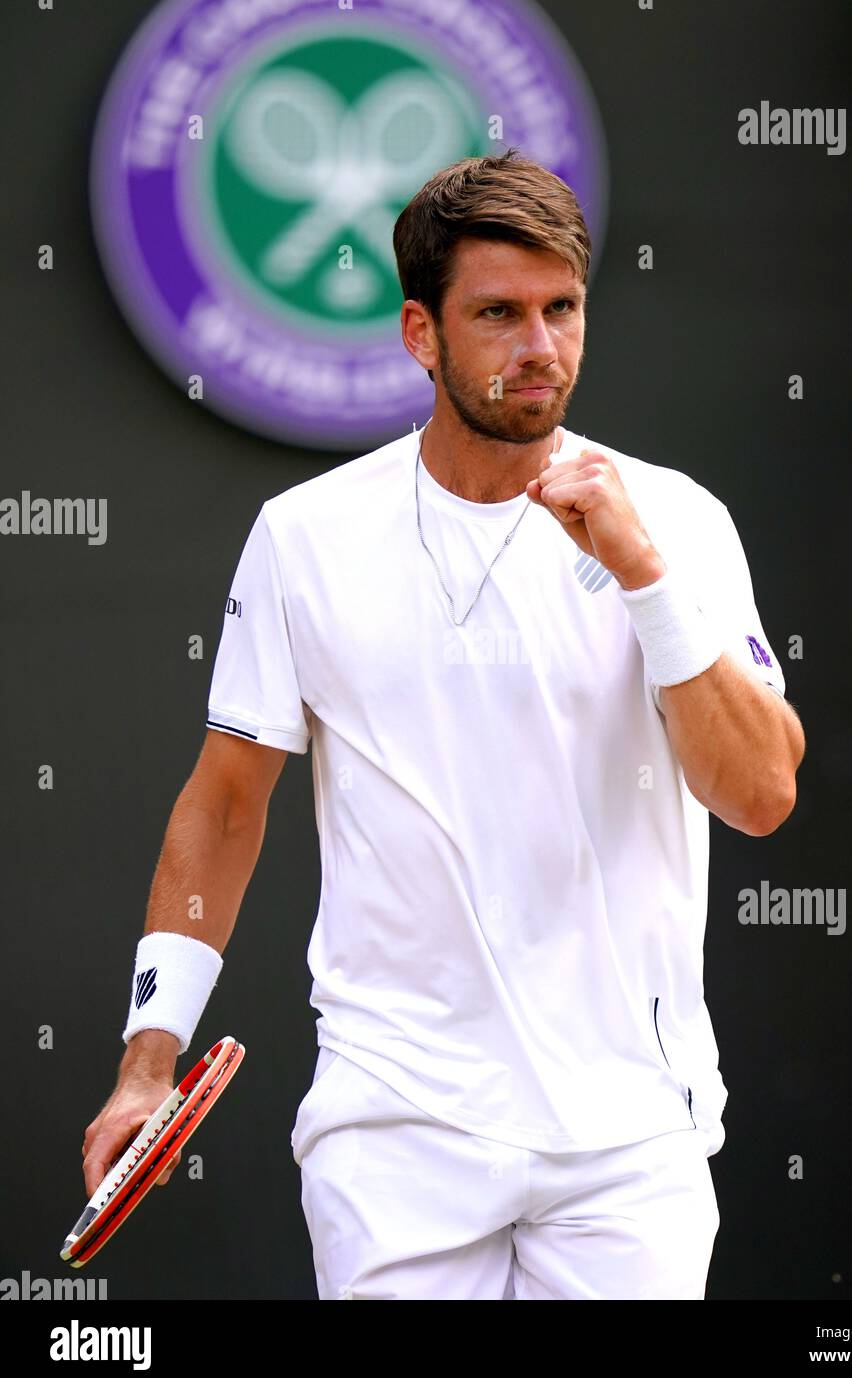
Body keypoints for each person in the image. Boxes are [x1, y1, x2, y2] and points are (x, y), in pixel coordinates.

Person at [81, 150, 805, 1300]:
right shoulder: (304, 535)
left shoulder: (674, 522)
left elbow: (761, 791)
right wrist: (147, 1056)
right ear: (422, 334)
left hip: (631, 1142)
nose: (541, 347)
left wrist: (642, 578)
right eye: (499, 314)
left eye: (562, 308)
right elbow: (225, 801)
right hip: (395, 1127)